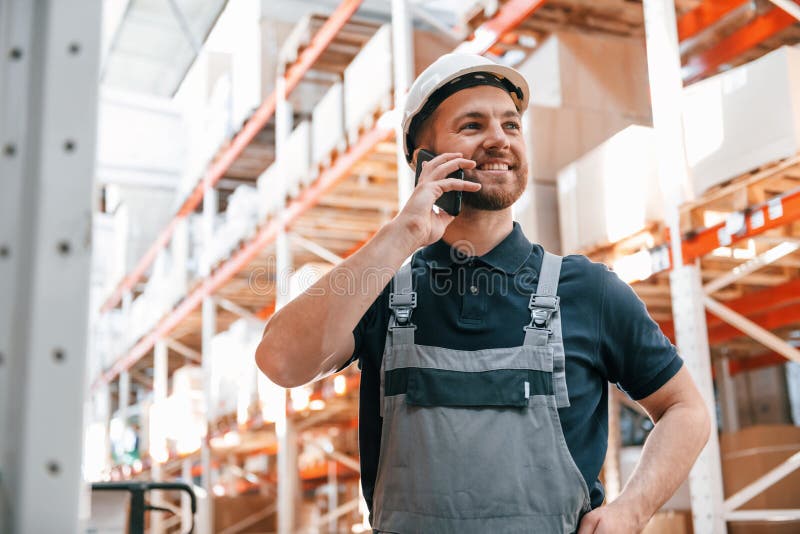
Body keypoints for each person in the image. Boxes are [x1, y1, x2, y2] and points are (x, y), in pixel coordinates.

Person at [256, 53, 710, 533]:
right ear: (423, 161)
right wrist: (403, 233)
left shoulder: (588, 291)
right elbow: (280, 361)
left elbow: (686, 409)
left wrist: (631, 510)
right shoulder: (379, 295)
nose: (499, 138)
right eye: (472, 125)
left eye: (511, 125)